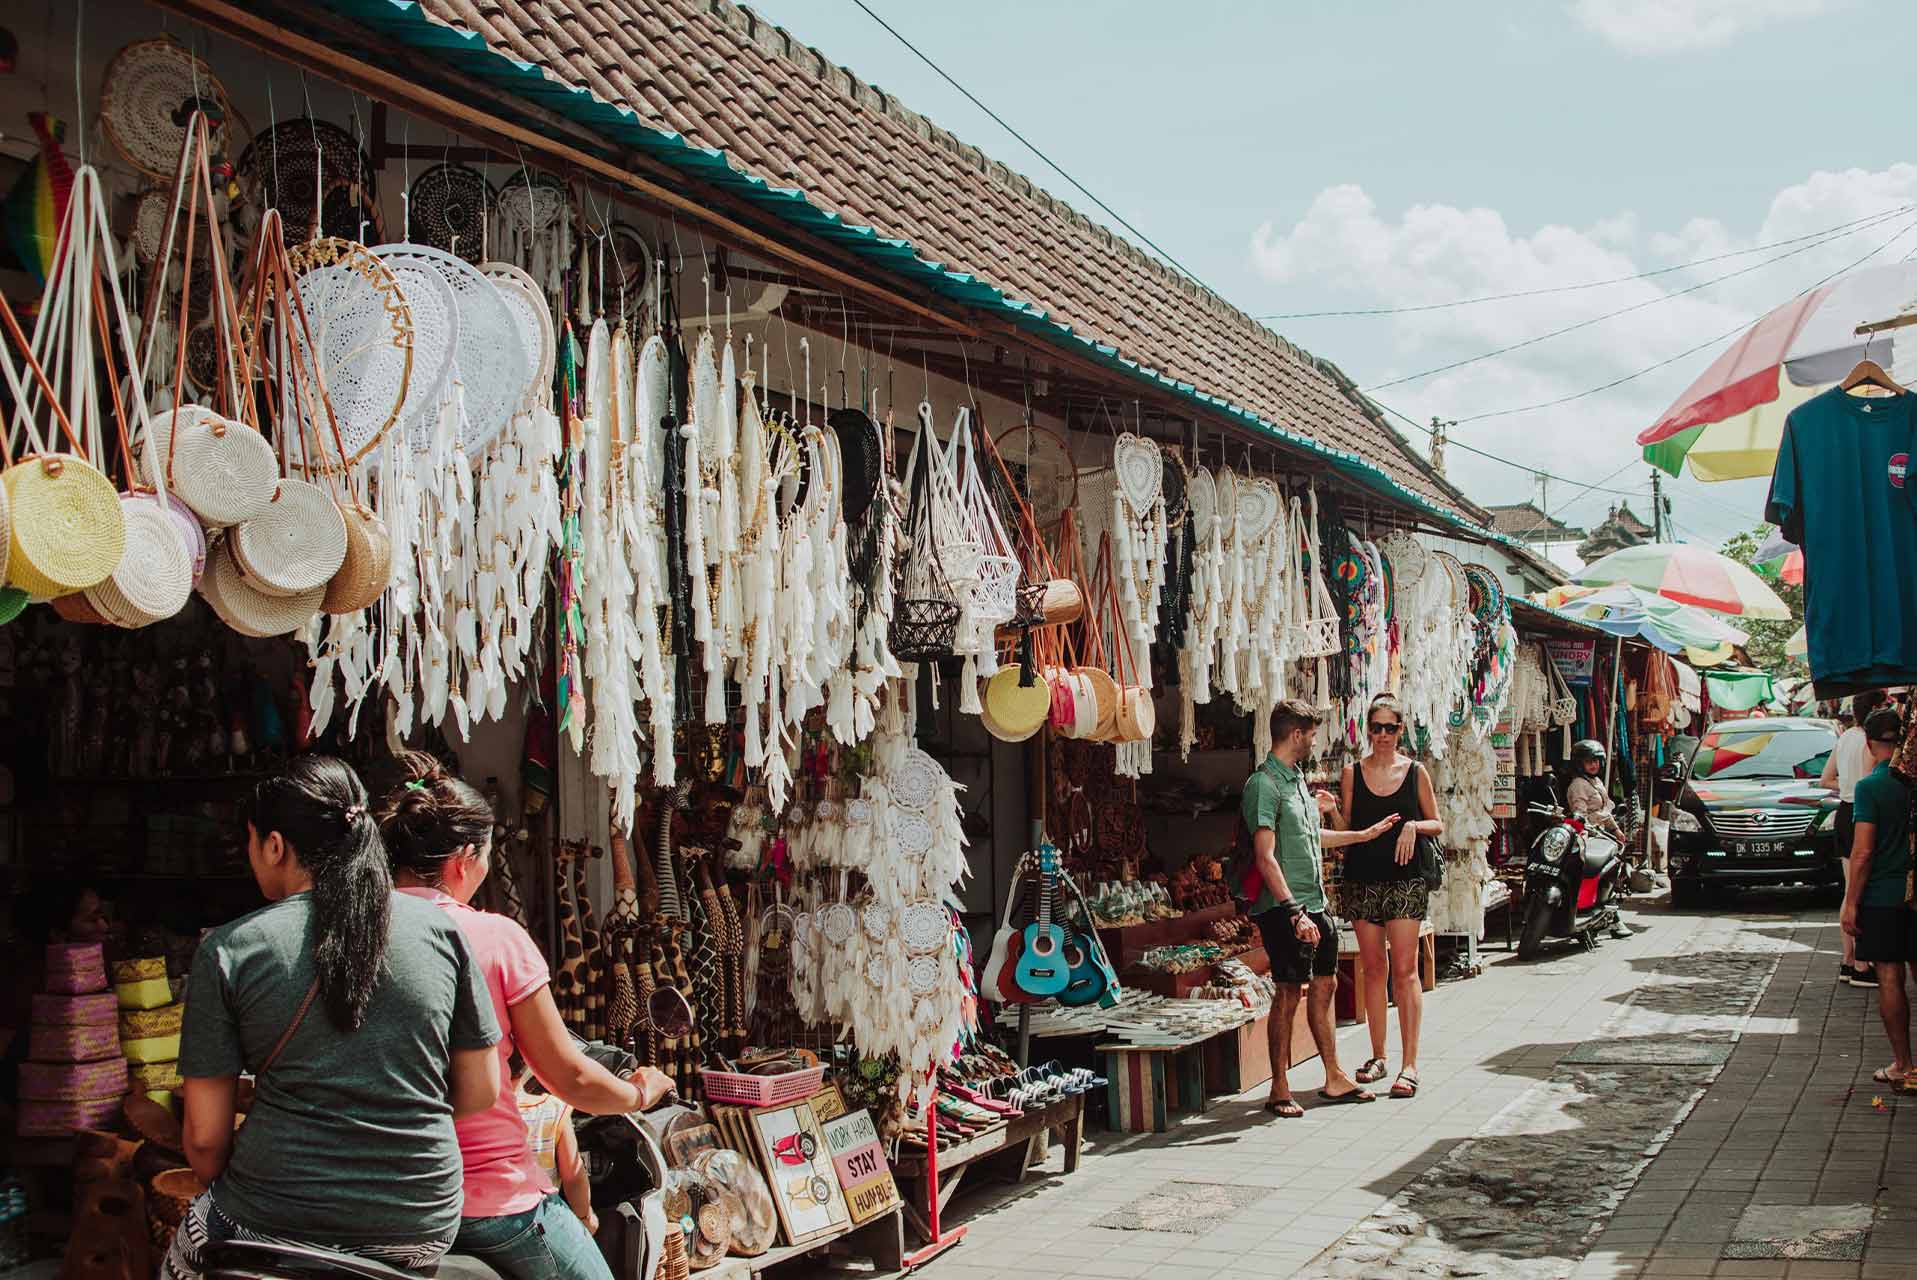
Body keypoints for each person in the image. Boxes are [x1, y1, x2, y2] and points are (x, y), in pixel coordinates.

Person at [170, 757, 502, 1280]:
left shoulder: (229, 949)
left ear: (274, 845)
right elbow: (481, 1089)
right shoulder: (440, 932)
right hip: (419, 1226)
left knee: (183, 1258)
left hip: (272, 1220)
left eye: (252, 843)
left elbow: (205, 1140)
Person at [375, 752, 673, 1280]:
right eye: (487, 854)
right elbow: (570, 1075)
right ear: (465, 859)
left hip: (379, 1203)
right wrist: (638, 1093)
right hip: (490, 1203)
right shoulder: (494, 938)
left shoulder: (350, 937)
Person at [1243, 698, 1401, 1118]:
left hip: (1316, 902)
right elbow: (1265, 856)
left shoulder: (1297, 780)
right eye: (1311, 734)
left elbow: (1314, 840)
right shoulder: (1264, 784)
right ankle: (1279, 1087)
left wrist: (1363, 835)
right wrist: (1294, 912)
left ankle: (1333, 1074)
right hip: (1284, 907)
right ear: (1296, 734)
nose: (1315, 741)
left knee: (1327, 984)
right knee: (1289, 991)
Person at [1328, 695, 1444, 1101]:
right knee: (1373, 969)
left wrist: (1415, 825)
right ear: (1367, 729)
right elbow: (1348, 829)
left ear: (1400, 730)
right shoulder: (1351, 773)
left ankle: (1409, 1064)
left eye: (1389, 728)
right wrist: (1331, 813)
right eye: (1375, 727)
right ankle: (1378, 1055)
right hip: (1362, 879)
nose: (1381, 736)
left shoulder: (1415, 772)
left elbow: (1438, 822)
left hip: (1405, 880)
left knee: (1405, 970)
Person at [1838, 708, 1913, 1086]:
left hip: (1884, 895)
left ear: (1869, 743)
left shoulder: (1871, 787)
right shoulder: (1910, 783)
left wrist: (1851, 902)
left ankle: (1904, 1065)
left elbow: (1863, 852)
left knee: (1889, 976)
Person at [1823, 691, 1886, 986]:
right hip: (1862, 811)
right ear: (1874, 709)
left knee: (1850, 889)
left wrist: (1847, 786)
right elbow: (1870, 781)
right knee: (1861, 887)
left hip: (1845, 812)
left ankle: (1848, 961)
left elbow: (1826, 780)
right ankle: (1862, 964)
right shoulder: (1869, 741)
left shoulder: (1846, 736)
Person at [513, 1055, 595, 1237]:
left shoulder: (469, 1110)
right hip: (537, 1225)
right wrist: (585, 1218)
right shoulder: (553, 1110)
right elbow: (573, 1177)